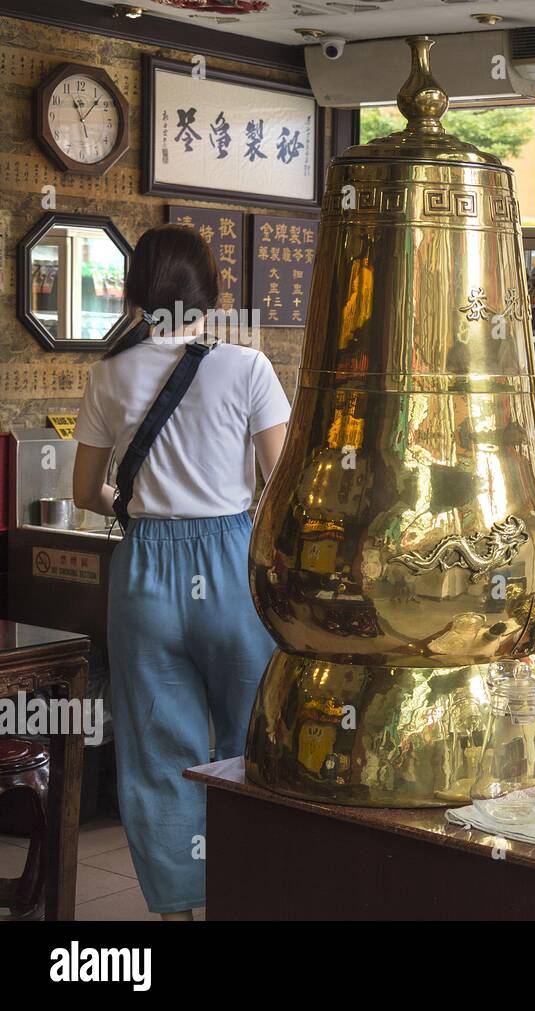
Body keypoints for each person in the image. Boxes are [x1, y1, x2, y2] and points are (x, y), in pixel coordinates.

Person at [72, 225, 290, 920]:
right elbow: (280, 481)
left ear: (137, 291)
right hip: (230, 564)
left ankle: (174, 909)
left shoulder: (110, 373)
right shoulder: (247, 366)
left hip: (145, 573)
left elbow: (85, 491)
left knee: (158, 750)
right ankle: (242, 889)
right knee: (247, 740)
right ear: (212, 291)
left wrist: (138, 512)